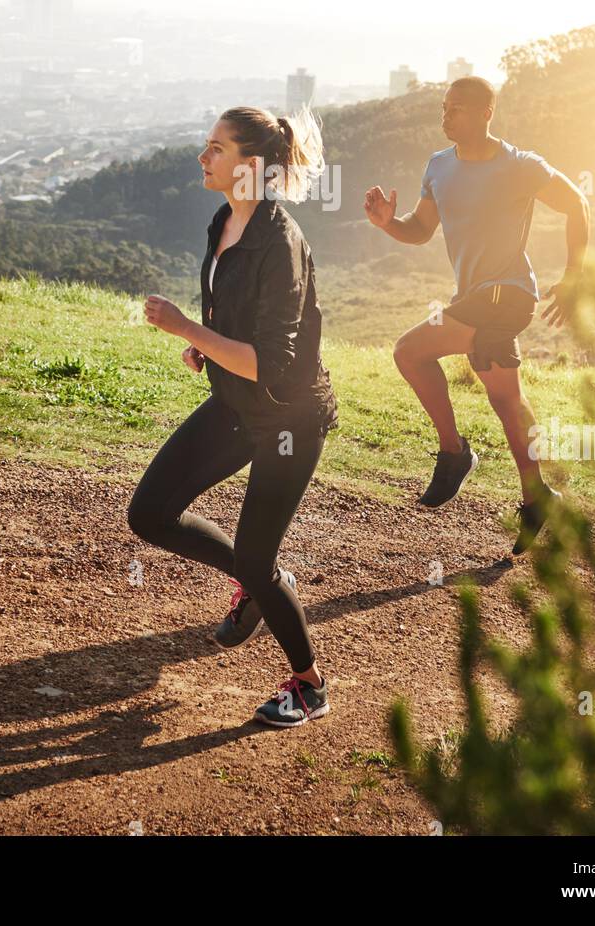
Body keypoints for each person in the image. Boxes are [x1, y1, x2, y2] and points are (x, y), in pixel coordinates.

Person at [128, 105, 339, 726]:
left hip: (289, 420)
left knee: (255, 557)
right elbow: (234, 319)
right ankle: (259, 578)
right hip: (235, 402)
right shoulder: (225, 219)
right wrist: (207, 342)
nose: (203, 156)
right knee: (150, 513)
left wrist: (185, 327)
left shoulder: (282, 243)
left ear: (251, 165)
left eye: (215, 148)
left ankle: (309, 685)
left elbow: (273, 364)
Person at [364, 76, 589, 554]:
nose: (447, 116)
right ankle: (537, 496)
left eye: (458, 108)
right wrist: (389, 224)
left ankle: (454, 452)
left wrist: (574, 276)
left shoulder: (521, 165)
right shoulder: (439, 166)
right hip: (477, 298)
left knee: (409, 351)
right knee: (506, 399)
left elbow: (577, 204)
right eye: (444, 108)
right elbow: (421, 229)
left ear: (487, 112)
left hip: (507, 293)